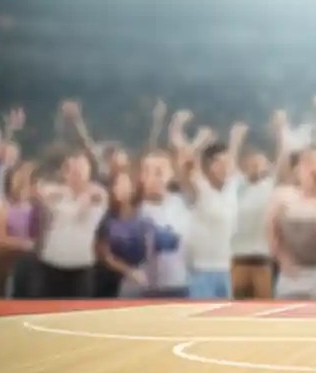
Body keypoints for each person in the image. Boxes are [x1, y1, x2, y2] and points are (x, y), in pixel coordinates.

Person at [178, 123, 246, 299]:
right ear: (209, 166)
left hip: (225, 269)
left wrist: (236, 139)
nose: (224, 167)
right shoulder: (201, 189)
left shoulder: (232, 187)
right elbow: (186, 165)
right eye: (218, 163)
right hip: (201, 271)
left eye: (226, 163)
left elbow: (233, 159)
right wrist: (200, 143)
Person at [267, 148, 316, 299]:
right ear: (298, 170)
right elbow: (271, 229)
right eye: (309, 166)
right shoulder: (282, 196)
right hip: (292, 275)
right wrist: (281, 259)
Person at [35, 152, 107, 298]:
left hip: (81, 267)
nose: (77, 174)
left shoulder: (98, 194)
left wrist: (78, 198)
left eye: (81, 169)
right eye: (73, 170)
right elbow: (42, 193)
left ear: (89, 172)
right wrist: (66, 193)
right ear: (65, 172)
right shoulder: (55, 193)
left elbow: (78, 212)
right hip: (51, 265)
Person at [231, 112, 286, 300]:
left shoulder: (269, 185)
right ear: (245, 165)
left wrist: (280, 130)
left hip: (262, 261)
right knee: (234, 312)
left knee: (262, 308)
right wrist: (236, 139)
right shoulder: (237, 186)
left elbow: (282, 158)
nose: (254, 166)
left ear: (266, 165)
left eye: (259, 162)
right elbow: (229, 164)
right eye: (251, 162)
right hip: (237, 260)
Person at [0, 162, 40, 298]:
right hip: (2, 271)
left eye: (28, 180)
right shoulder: (0, 209)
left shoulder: (36, 209)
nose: (24, 183)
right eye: (19, 179)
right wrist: (28, 246)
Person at [139, 150, 191, 298]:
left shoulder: (181, 204)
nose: (155, 178)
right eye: (148, 171)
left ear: (170, 175)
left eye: (160, 172)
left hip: (179, 285)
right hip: (144, 290)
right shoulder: (135, 210)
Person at [96, 170, 155, 298]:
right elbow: (104, 254)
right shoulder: (107, 217)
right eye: (116, 185)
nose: (119, 189)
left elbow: (149, 248)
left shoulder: (143, 214)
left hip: (140, 280)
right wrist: (129, 271)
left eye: (124, 184)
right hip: (109, 281)